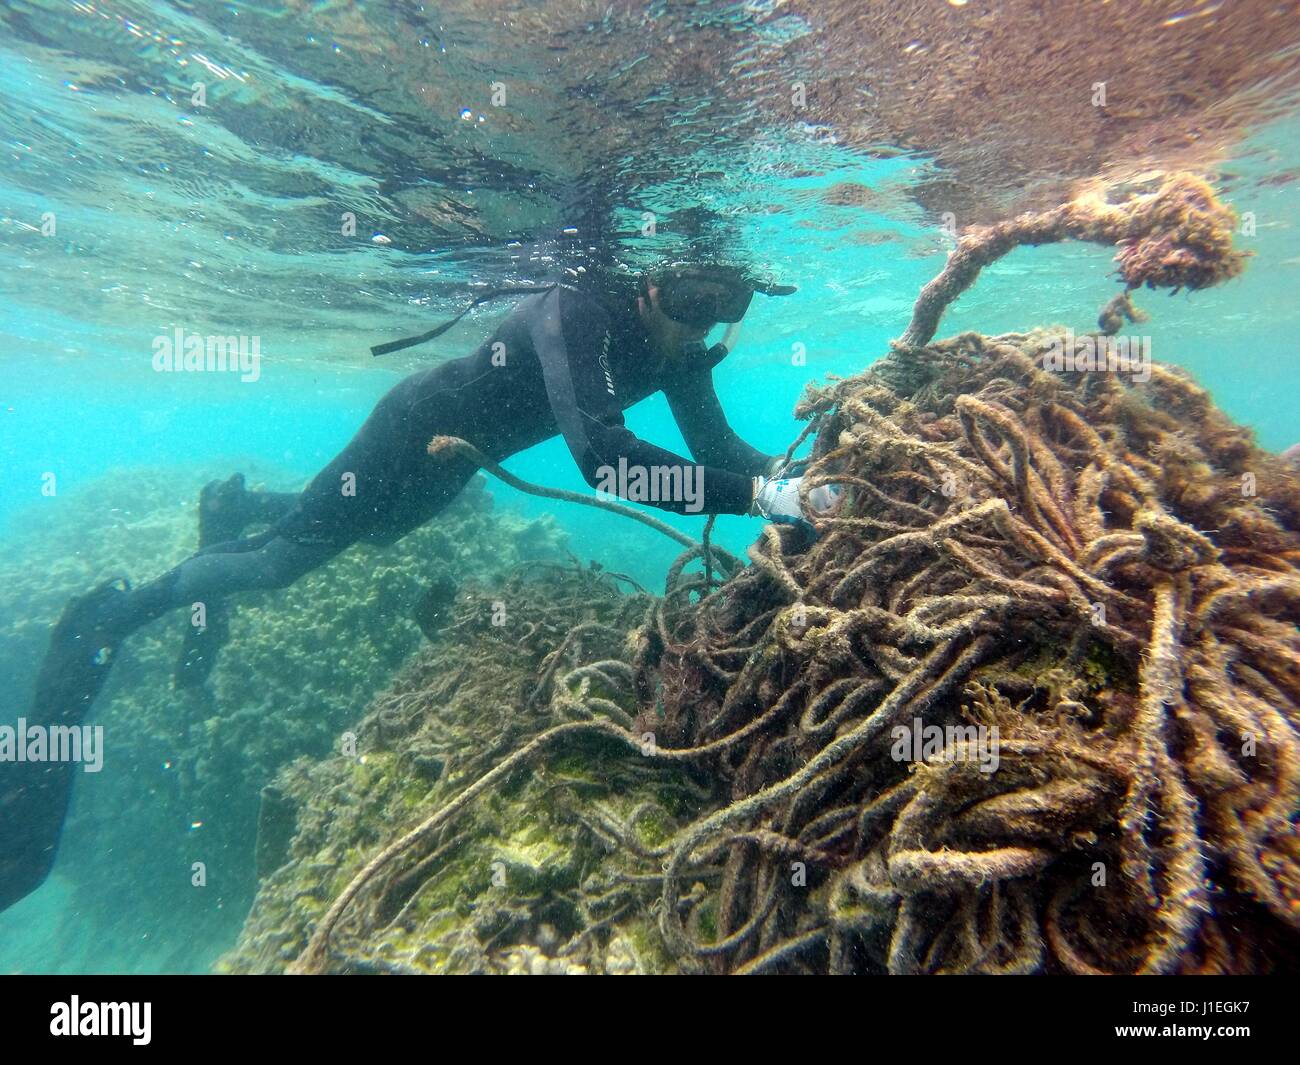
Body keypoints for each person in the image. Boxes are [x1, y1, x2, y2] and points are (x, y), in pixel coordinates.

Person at [0, 261, 842, 913]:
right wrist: (762, 499)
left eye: (727, 307)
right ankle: (109, 615)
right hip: (409, 433)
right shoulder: (577, 308)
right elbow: (606, 461)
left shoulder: (680, 347)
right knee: (283, 560)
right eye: (695, 300)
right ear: (650, 282)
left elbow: (721, 448)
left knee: (363, 527)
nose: (702, 327)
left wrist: (803, 479)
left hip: (451, 467)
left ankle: (238, 504)